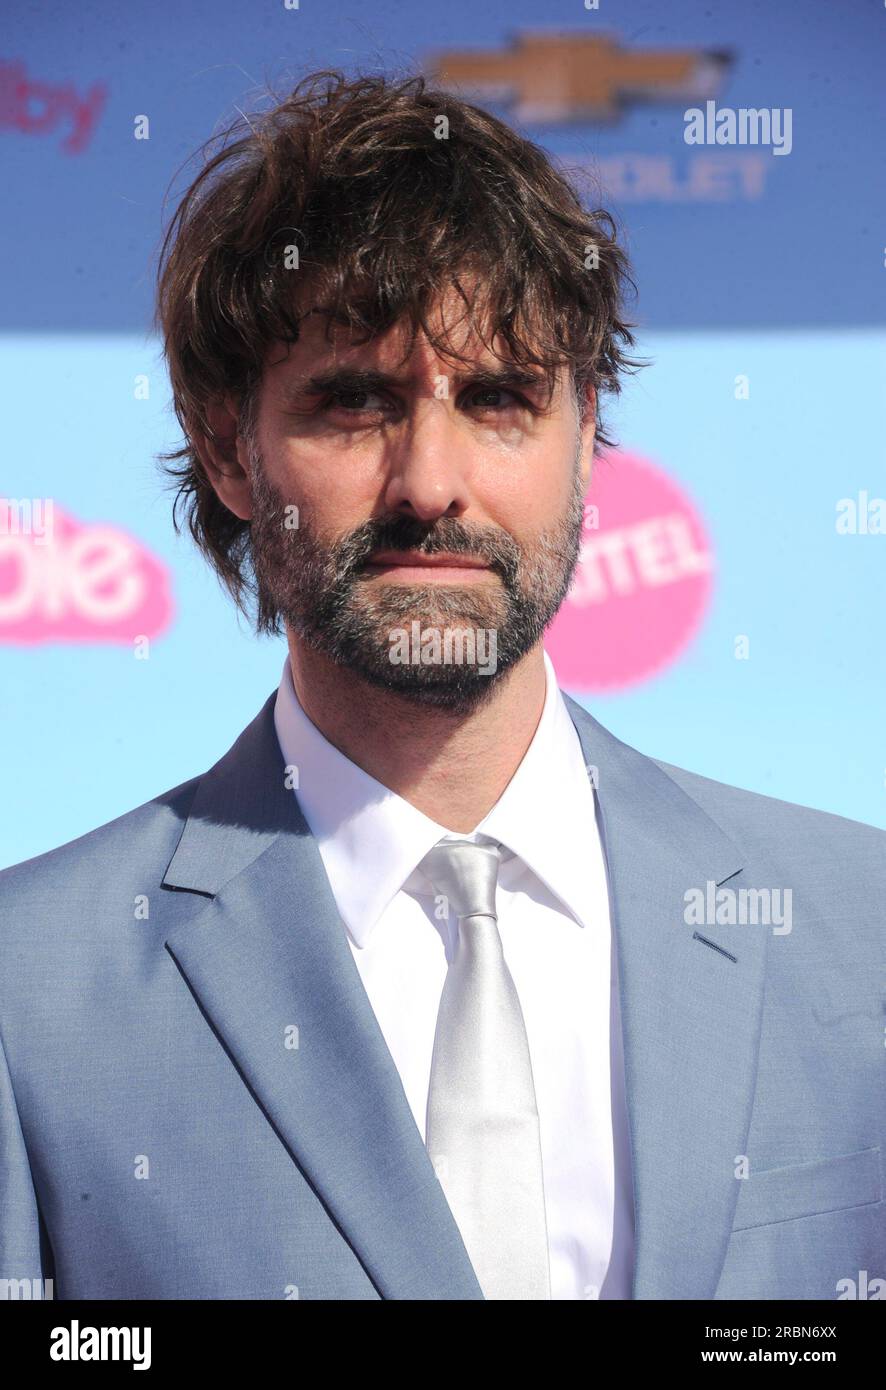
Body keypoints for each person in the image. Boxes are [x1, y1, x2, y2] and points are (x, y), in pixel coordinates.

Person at [0, 71, 882, 1302]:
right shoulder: (28, 991)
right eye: (354, 403)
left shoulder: (857, 928)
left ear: (586, 437)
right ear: (226, 448)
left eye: (500, 398)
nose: (431, 482)